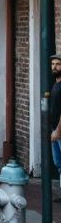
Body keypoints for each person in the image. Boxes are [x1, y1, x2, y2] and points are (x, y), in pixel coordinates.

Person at [49, 53, 61, 195]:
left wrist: (57, 131)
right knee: (58, 163)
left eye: (57, 64)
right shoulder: (56, 84)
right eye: (53, 64)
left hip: (59, 130)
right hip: (54, 129)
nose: (54, 67)